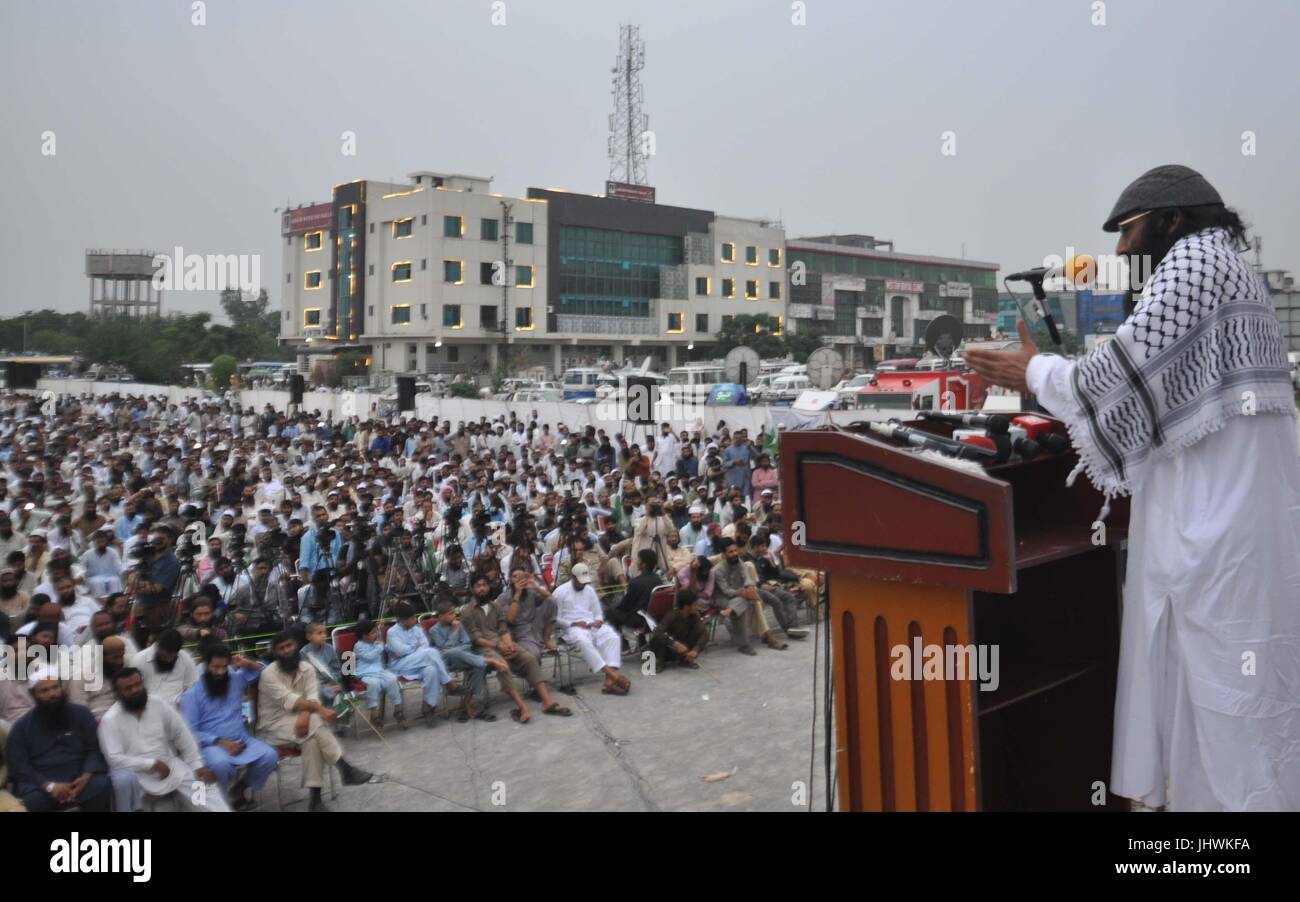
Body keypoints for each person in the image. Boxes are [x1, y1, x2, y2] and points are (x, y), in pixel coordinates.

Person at [964, 164, 1300, 811]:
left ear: (1171, 220)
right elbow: (1156, 398)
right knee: (1228, 731)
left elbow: (1112, 383)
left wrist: (1032, 370)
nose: (1119, 249)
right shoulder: (1235, 271)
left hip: (1219, 551)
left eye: (1127, 230)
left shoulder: (1195, 266)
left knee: (1234, 734)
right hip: (1236, 542)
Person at [257, 632, 373, 812]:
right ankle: (344, 768)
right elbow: (292, 700)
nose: (287, 651)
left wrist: (306, 714)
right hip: (274, 724)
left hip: (302, 721)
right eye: (281, 648)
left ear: (296, 646)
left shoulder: (306, 667)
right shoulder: (268, 674)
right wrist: (317, 711)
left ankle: (316, 802)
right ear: (275, 652)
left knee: (312, 741)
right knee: (316, 722)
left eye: (289, 646)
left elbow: (312, 696)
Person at [98, 667, 229, 812]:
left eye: (138, 684)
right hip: (138, 776)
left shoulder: (157, 703)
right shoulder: (110, 720)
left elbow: (181, 734)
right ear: (117, 694)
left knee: (205, 794)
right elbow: (114, 759)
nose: (136, 690)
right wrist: (151, 764)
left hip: (171, 769)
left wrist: (196, 764)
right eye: (128, 688)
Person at [180, 642, 278, 810]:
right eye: (215, 667)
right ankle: (217, 802)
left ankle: (239, 789)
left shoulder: (235, 679)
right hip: (211, 745)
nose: (220, 672)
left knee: (270, 756)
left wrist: (247, 663)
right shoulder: (192, 694)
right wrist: (221, 742)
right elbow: (190, 732)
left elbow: (264, 670)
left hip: (241, 740)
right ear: (205, 665)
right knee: (220, 765)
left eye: (224, 667)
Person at [462, 573, 570, 723]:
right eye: (478, 586)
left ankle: (547, 701)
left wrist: (509, 644)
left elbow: (503, 629)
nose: (482, 589)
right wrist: (498, 645)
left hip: (501, 643)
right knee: (503, 666)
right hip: (482, 648)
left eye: (484, 585)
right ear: (472, 589)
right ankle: (522, 706)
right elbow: (476, 639)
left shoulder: (495, 606)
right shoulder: (467, 611)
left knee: (529, 658)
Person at [5, 668, 113, 811]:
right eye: (44, 691)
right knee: (33, 799)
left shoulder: (82, 714)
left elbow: (94, 749)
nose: (52, 694)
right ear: (33, 695)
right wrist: (49, 786)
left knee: (101, 784)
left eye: (55, 687)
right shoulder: (21, 727)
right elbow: (20, 766)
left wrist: (86, 777)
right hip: (42, 784)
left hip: (79, 779)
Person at [552, 563, 630, 695]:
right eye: (580, 581)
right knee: (583, 640)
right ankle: (612, 675)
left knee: (612, 636)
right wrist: (574, 623)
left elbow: (597, 612)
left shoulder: (589, 590)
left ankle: (609, 682)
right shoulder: (559, 592)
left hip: (591, 624)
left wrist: (598, 620)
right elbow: (556, 618)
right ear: (573, 577)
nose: (583, 584)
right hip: (571, 628)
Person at [428, 602, 499, 722]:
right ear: (440, 617)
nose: (453, 616)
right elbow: (443, 649)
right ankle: (485, 660)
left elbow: (467, 644)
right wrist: (455, 632)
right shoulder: (434, 630)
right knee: (453, 654)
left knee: (478, 667)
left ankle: (467, 701)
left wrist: (453, 649)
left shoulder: (459, 625)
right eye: (449, 614)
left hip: (463, 657)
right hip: (447, 662)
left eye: (453, 613)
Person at [384, 602, 451, 722]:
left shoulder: (417, 629)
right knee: (431, 653)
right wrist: (415, 647)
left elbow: (425, 644)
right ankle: (448, 683)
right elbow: (400, 652)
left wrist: (413, 649)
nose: (415, 620)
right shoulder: (392, 632)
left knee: (431, 670)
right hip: (401, 665)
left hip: (419, 661)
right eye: (412, 618)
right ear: (403, 620)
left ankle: (428, 706)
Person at [352, 620, 404, 729]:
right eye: (372, 633)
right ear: (364, 636)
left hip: (380, 671)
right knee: (373, 684)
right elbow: (369, 657)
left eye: (375, 632)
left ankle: (398, 707)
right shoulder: (358, 646)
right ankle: (374, 713)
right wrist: (379, 647)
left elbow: (379, 636)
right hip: (366, 673)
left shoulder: (375, 643)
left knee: (392, 679)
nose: (375, 635)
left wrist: (380, 627)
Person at [135, 628, 198, 707]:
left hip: (179, 710)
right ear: (157, 646)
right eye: (164, 656)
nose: (168, 661)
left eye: (171, 657)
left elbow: (192, 687)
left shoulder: (185, 658)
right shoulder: (139, 660)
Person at [647, 588, 707, 670]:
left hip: (684, 649)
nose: (697, 607)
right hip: (669, 648)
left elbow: (703, 633)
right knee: (657, 639)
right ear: (686, 607)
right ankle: (660, 661)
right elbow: (657, 632)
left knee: (698, 633)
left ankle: (685, 660)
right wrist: (675, 644)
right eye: (695, 604)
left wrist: (695, 650)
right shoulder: (671, 616)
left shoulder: (695, 616)